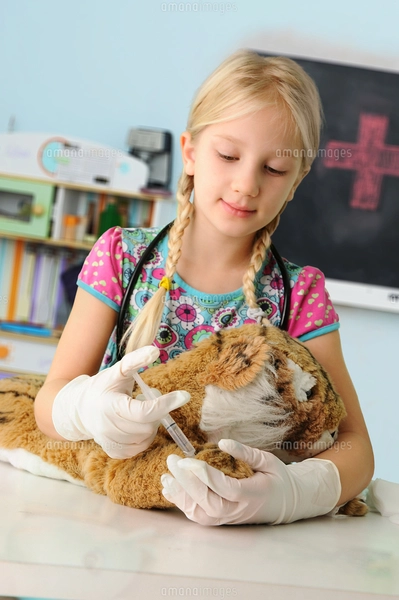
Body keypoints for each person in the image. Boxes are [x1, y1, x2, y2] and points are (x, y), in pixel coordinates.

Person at [34, 49, 374, 526]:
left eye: (274, 169)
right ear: (191, 152)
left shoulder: (300, 295)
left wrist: (289, 494)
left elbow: (357, 449)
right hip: (111, 520)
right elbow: (49, 403)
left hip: (237, 537)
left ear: (296, 181)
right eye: (229, 155)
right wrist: (85, 409)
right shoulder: (120, 258)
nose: (246, 184)